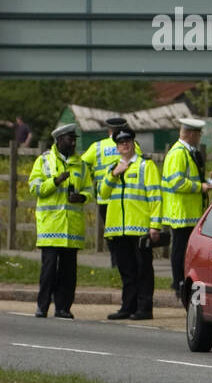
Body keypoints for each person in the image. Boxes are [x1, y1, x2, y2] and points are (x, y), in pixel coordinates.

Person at [27, 123, 91, 318]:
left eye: (74, 139)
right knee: (48, 271)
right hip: (51, 227)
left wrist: (82, 198)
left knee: (68, 272)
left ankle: (63, 308)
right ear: (59, 140)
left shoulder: (81, 164)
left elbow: (90, 190)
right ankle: (42, 306)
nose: (73, 143)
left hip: (72, 228)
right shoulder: (44, 161)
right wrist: (55, 181)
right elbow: (35, 188)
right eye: (69, 139)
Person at [100, 127, 162, 320]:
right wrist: (114, 174)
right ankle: (128, 306)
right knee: (126, 269)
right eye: (120, 143)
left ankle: (144, 308)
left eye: (127, 141)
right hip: (119, 228)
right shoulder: (112, 167)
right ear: (117, 147)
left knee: (143, 269)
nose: (124, 145)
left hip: (140, 227)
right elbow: (102, 193)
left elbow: (155, 196)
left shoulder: (145, 165)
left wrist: (155, 225)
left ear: (133, 143)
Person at [162, 117, 212, 299]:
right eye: (198, 134)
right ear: (191, 134)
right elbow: (176, 183)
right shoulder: (178, 154)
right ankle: (178, 284)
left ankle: (182, 283)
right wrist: (200, 187)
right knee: (179, 249)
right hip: (181, 212)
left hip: (190, 211)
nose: (200, 137)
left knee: (185, 250)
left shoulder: (188, 152)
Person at [81, 116, 138, 265]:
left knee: (111, 232)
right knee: (127, 232)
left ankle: (115, 262)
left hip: (105, 197)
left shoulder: (97, 147)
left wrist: (92, 180)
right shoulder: (133, 145)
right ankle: (128, 261)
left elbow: (81, 166)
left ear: (109, 130)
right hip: (128, 197)